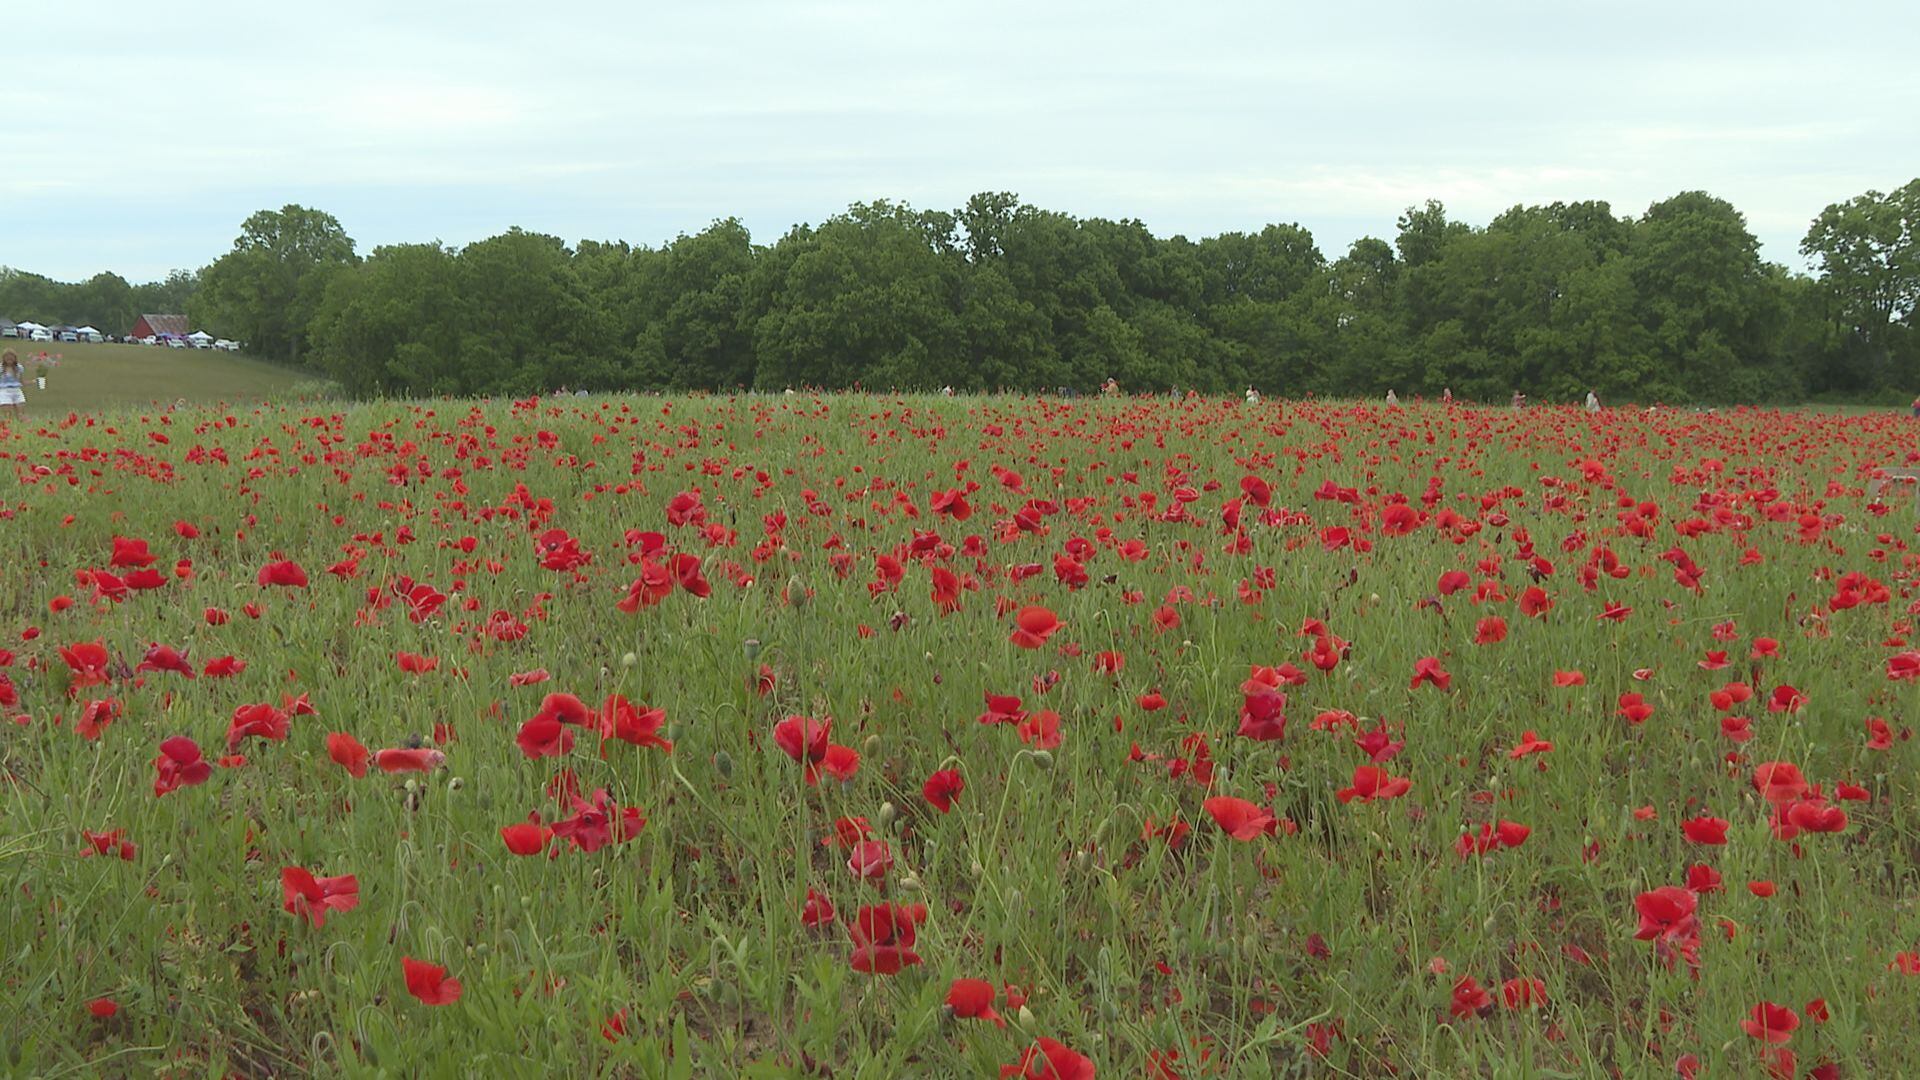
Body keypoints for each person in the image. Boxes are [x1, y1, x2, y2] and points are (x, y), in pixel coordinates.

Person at [0, 351, 24, 415]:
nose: (9, 358)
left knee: (20, 413)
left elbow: (21, 381)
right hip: (5, 391)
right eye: (7, 357)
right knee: (8, 414)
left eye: (11, 357)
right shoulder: (1, 368)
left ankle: (19, 424)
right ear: (4, 358)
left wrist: (35, 381)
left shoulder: (19, 367)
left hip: (17, 390)